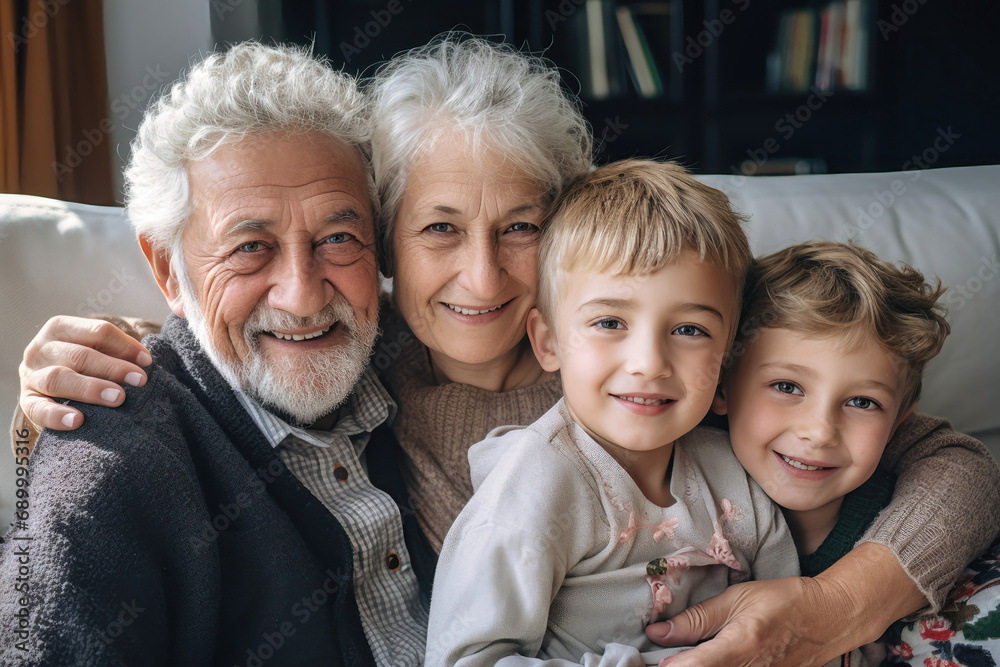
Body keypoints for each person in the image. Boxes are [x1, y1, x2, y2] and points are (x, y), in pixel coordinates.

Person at [12, 35, 1000, 667]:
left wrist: (829, 608)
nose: (482, 281)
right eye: (439, 229)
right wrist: (124, 369)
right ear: (392, 238)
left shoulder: (647, 351)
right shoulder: (349, 359)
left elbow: (949, 460)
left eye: (520, 227)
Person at [1, 43, 434, 665]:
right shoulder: (112, 454)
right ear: (168, 273)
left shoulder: (421, 365)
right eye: (251, 246)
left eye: (338, 238)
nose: (303, 294)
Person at [426, 160, 798, 665]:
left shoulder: (736, 472)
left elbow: (790, 624)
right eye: (609, 322)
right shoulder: (536, 484)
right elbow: (467, 658)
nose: (648, 364)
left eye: (689, 330)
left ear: (728, 357)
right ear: (549, 341)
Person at [714, 241, 1000, 666]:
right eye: (787, 387)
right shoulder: (678, 459)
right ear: (721, 387)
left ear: (899, 422)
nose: (820, 431)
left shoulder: (898, 492)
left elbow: (971, 470)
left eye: (862, 402)